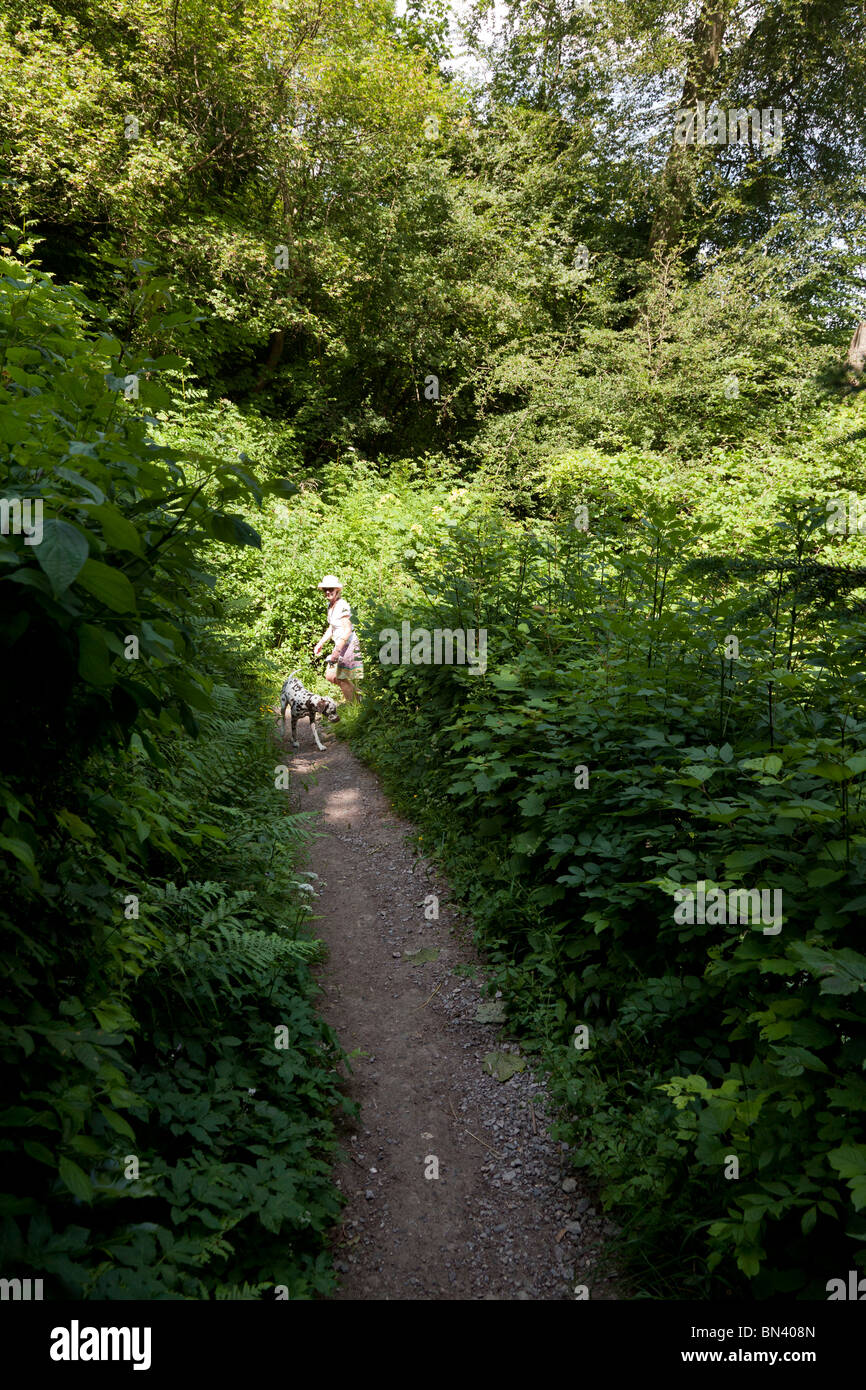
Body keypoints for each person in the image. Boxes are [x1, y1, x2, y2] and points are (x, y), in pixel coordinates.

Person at [313, 575, 363, 704]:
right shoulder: (330, 605)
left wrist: (337, 651)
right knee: (330, 675)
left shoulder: (343, 605)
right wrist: (321, 643)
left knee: (341, 677)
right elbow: (332, 627)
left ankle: (352, 706)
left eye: (330, 589)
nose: (328, 592)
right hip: (339, 644)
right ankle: (359, 695)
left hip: (347, 644)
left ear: (337, 590)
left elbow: (347, 631)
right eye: (325, 589)